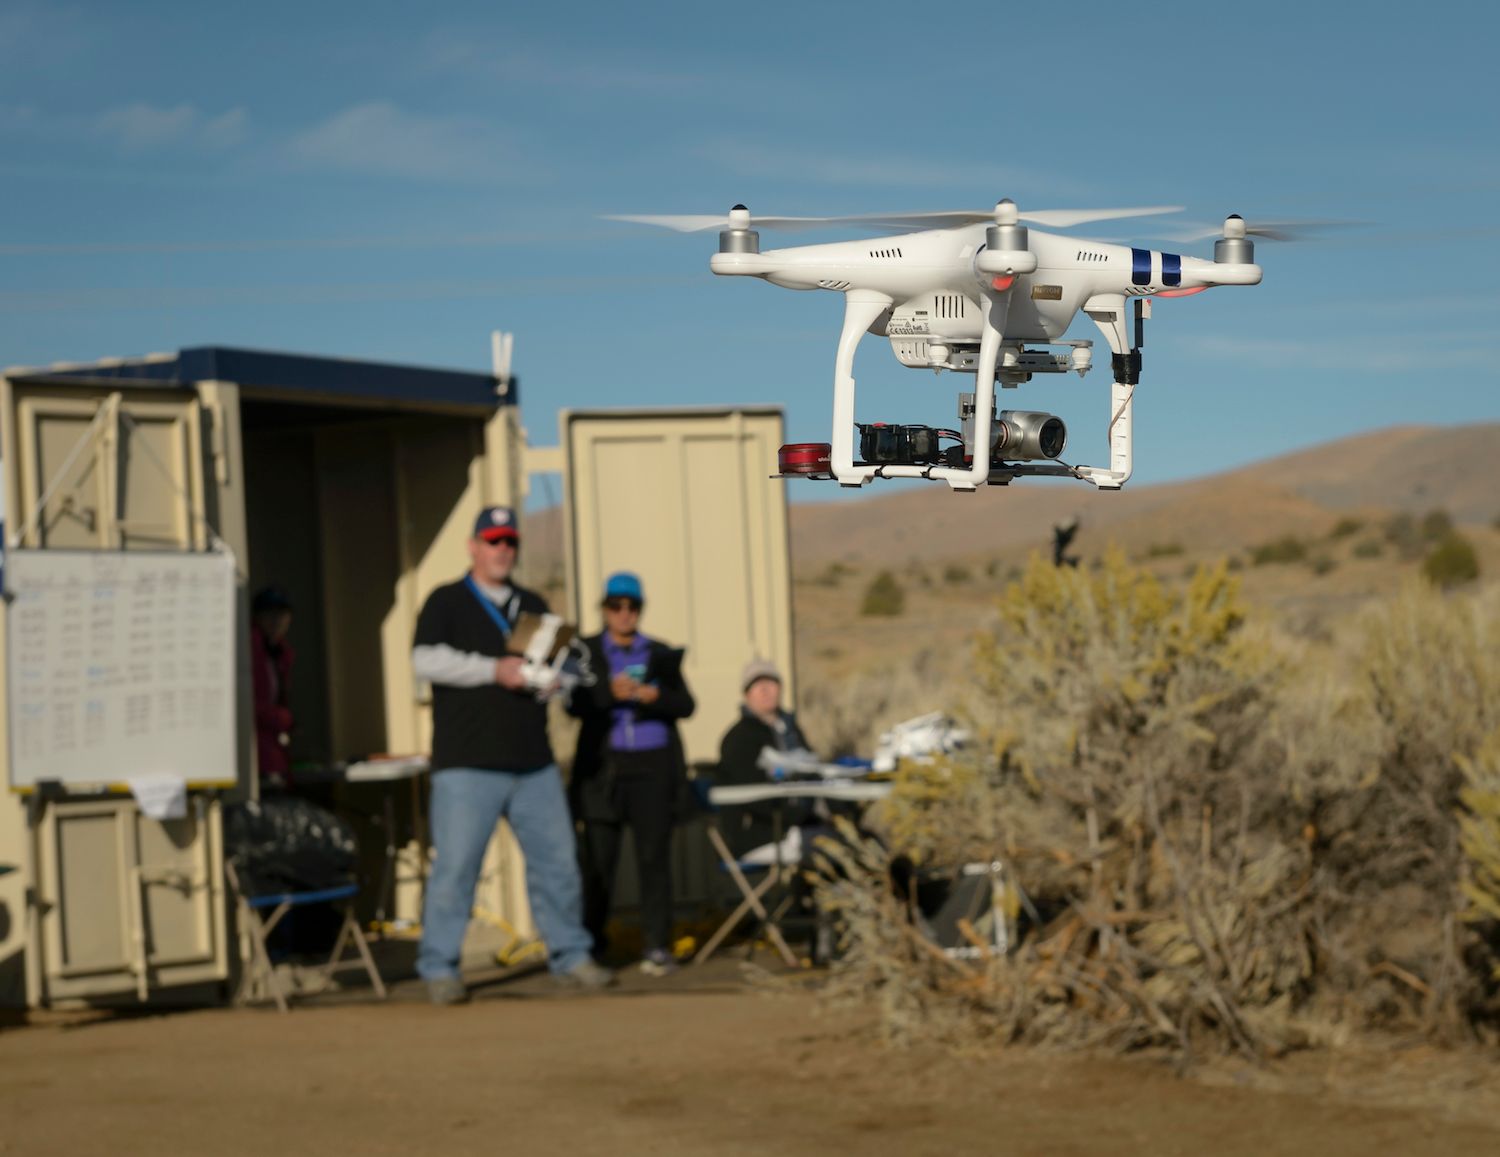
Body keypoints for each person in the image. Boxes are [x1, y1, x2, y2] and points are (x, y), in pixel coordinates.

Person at [412, 505, 612, 1005]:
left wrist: (554, 683)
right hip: (466, 763)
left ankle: (571, 954)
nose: (503, 551)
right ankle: (440, 966)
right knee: (456, 869)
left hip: (533, 761)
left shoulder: (532, 603)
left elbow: (558, 665)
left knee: (559, 864)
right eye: (493, 541)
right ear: (473, 546)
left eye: (510, 542)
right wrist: (492, 670)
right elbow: (424, 659)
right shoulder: (446, 600)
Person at [568, 572, 696, 976]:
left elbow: (686, 704)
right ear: (604, 609)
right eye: (615, 606)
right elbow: (574, 703)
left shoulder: (658, 653)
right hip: (606, 769)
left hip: (653, 767)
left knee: (653, 860)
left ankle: (657, 945)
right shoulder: (586, 651)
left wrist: (655, 696)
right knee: (599, 861)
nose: (624, 614)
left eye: (632, 607)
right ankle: (591, 945)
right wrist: (610, 693)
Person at [715, 657, 815, 858]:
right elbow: (753, 795)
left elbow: (812, 771)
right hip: (758, 834)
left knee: (852, 839)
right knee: (824, 847)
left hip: (798, 824)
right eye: (757, 684)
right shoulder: (738, 739)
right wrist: (797, 816)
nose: (765, 690)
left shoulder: (790, 730)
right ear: (746, 694)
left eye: (771, 682)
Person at [250, 586, 296, 790]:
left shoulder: (279, 653)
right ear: (257, 618)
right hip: (257, 753)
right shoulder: (251, 649)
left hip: (275, 750)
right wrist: (281, 718)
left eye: (282, 614)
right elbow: (248, 704)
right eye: (269, 614)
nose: (276, 621)